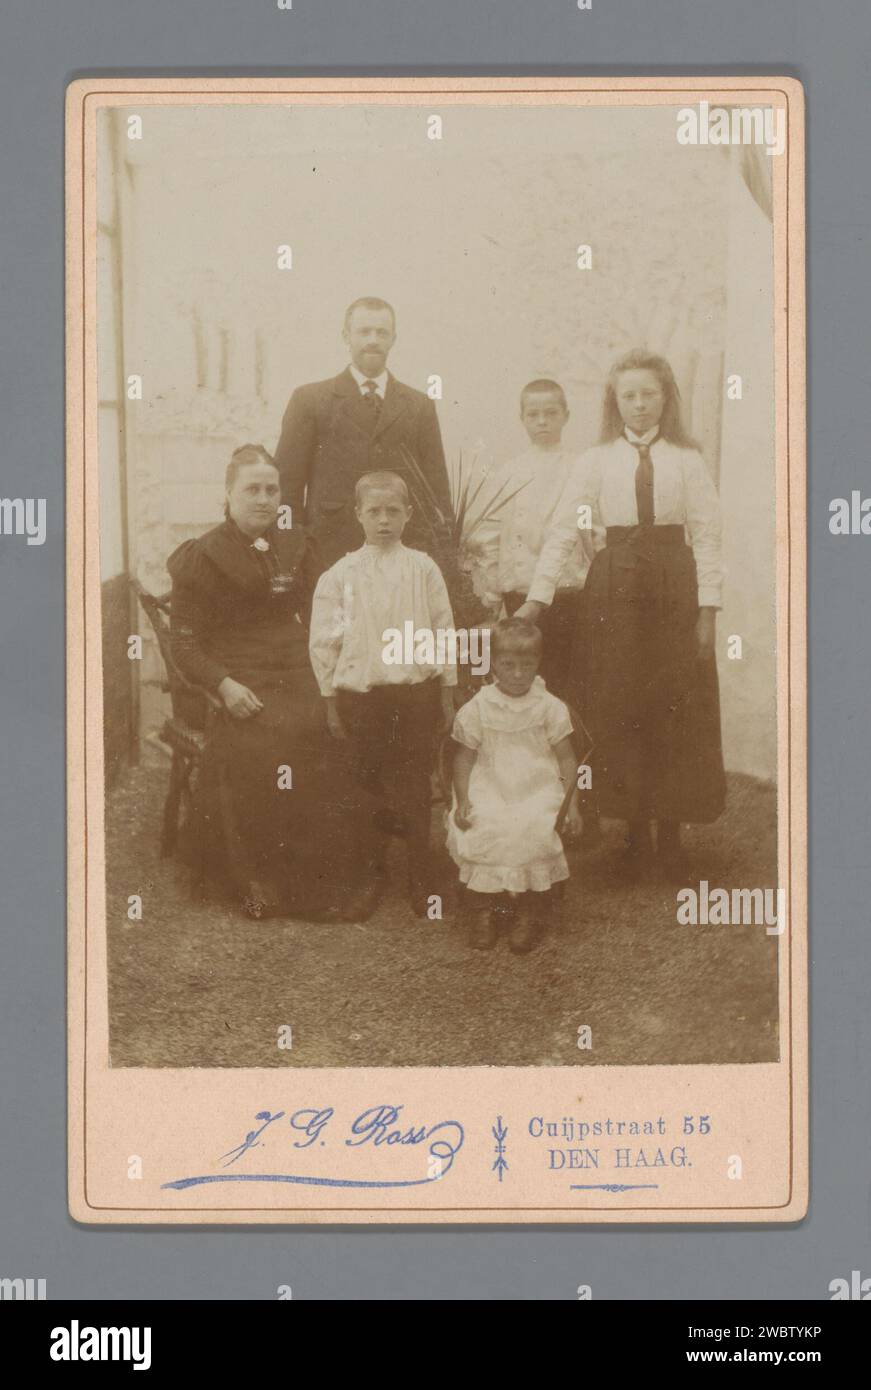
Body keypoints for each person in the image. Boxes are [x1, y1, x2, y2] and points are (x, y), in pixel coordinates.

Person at [515, 348, 726, 877]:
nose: (639, 405)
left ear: (665, 398)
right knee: (622, 704)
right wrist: (538, 597)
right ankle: (631, 833)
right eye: (628, 395)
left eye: (648, 394)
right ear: (616, 401)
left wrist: (708, 611)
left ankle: (670, 833)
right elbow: (566, 529)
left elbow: (707, 537)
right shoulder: (596, 461)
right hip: (615, 596)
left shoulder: (687, 459)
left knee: (675, 705)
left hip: (675, 592)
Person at [167, 445, 377, 921]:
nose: (264, 500)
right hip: (240, 675)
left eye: (271, 489)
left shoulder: (294, 544)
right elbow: (184, 645)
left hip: (298, 668)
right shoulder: (202, 556)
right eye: (252, 489)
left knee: (330, 729)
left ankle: (331, 879)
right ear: (228, 492)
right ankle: (262, 881)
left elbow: (325, 611)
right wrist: (224, 686)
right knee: (272, 740)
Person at [308, 471, 458, 916]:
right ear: (358, 515)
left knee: (413, 783)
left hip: (413, 697)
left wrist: (447, 691)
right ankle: (371, 873)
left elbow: (442, 628)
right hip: (362, 699)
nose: (384, 520)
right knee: (365, 786)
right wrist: (331, 701)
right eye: (373, 511)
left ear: (409, 515)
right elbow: (325, 641)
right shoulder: (340, 576)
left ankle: (420, 874)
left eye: (393, 511)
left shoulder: (423, 568)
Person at [272, 297, 452, 576]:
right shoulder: (310, 400)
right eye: (364, 331)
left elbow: (437, 490)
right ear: (346, 336)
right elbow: (287, 489)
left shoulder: (419, 405)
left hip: (403, 555)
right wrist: (290, 554)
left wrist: (444, 557)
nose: (373, 340)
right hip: (329, 553)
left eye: (382, 333)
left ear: (393, 339)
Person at [446, 618, 582, 954]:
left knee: (534, 826)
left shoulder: (549, 706)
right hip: (490, 782)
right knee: (485, 822)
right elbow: (463, 760)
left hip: (537, 785)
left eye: (527, 665)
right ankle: (484, 908)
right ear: (493, 663)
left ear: (539, 663)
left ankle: (530, 909)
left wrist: (572, 804)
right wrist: (462, 798)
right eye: (508, 665)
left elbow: (567, 760)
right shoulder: (478, 707)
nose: (519, 674)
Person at [472, 378, 598, 702]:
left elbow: (590, 528)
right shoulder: (509, 472)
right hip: (520, 594)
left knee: (566, 682)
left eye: (551, 413)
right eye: (533, 414)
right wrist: (491, 595)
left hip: (569, 594)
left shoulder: (580, 468)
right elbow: (490, 536)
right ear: (522, 418)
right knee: (522, 680)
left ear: (566, 416)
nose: (542, 421)